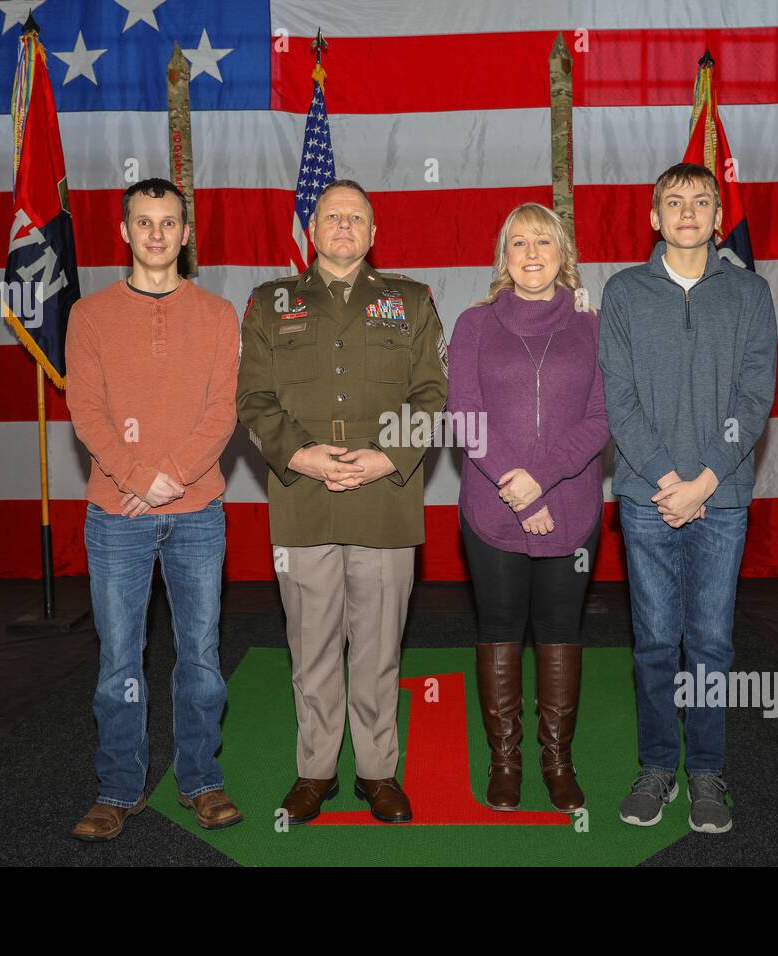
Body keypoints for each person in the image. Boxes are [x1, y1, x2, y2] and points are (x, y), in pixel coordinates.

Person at [236, 180, 448, 824]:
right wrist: (302, 456)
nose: (344, 227)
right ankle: (316, 772)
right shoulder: (270, 303)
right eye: (332, 217)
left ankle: (378, 773)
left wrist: (386, 457)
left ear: (374, 232)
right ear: (313, 228)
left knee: (380, 650)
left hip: (384, 499)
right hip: (304, 500)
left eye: (357, 218)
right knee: (313, 648)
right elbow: (253, 399)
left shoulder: (411, 300)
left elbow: (433, 394)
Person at [600, 162, 777, 834]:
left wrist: (704, 479)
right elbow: (618, 397)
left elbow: (755, 397)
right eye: (673, 202)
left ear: (715, 214)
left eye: (700, 202)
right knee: (652, 642)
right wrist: (666, 479)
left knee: (709, 641)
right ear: (654, 217)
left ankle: (706, 771)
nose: (686, 212)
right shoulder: (623, 293)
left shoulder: (750, 295)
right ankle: (656, 768)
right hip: (646, 499)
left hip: (723, 497)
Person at [65, 178, 243, 840]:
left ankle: (202, 781)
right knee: (119, 660)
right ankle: (116, 788)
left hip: (199, 511)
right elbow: (86, 411)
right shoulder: (89, 315)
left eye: (170, 223)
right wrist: (138, 475)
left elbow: (223, 410)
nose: (158, 235)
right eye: (145, 223)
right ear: (125, 232)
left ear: (186, 234)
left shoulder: (219, 314)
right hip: (117, 514)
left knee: (199, 652)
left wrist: (171, 476)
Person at [447, 203, 610, 814]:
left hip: (572, 509)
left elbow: (602, 418)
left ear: (563, 254)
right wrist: (517, 492)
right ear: (503, 257)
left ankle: (558, 761)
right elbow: (464, 415)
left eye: (545, 241)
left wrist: (538, 482)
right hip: (489, 509)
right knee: (499, 629)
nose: (533, 252)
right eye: (519, 242)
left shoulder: (594, 327)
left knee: (561, 630)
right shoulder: (473, 324)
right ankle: (506, 760)